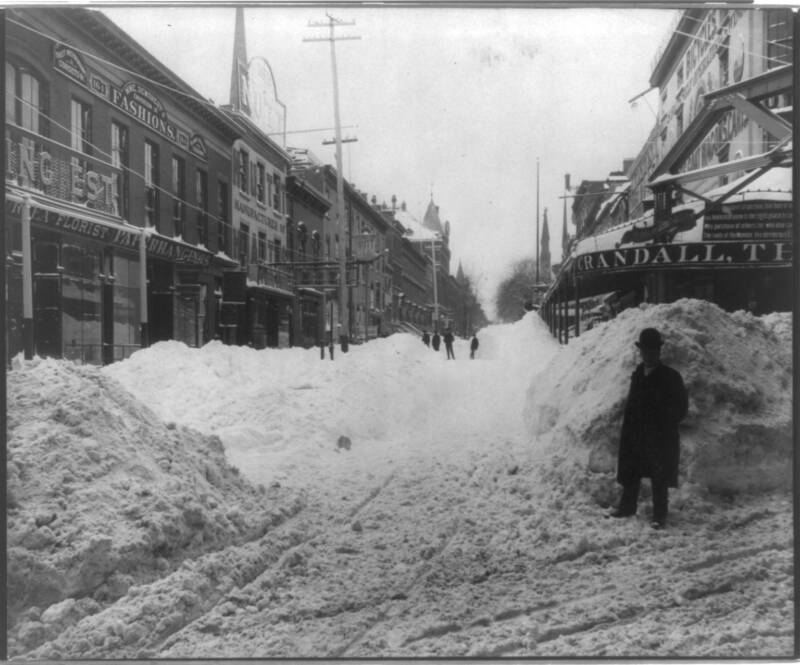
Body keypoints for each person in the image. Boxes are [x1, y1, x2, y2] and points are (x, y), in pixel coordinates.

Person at [609, 327, 688, 530]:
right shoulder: (637, 374)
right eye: (645, 350)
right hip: (637, 433)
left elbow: (681, 408)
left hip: (660, 436)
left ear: (659, 351)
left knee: (659, 475)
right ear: (641, 351)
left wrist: (663, 422)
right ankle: (627, 507)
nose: (648, 354)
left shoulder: (671, 376)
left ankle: (659, 515)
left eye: (652, 350)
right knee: (632, 471)